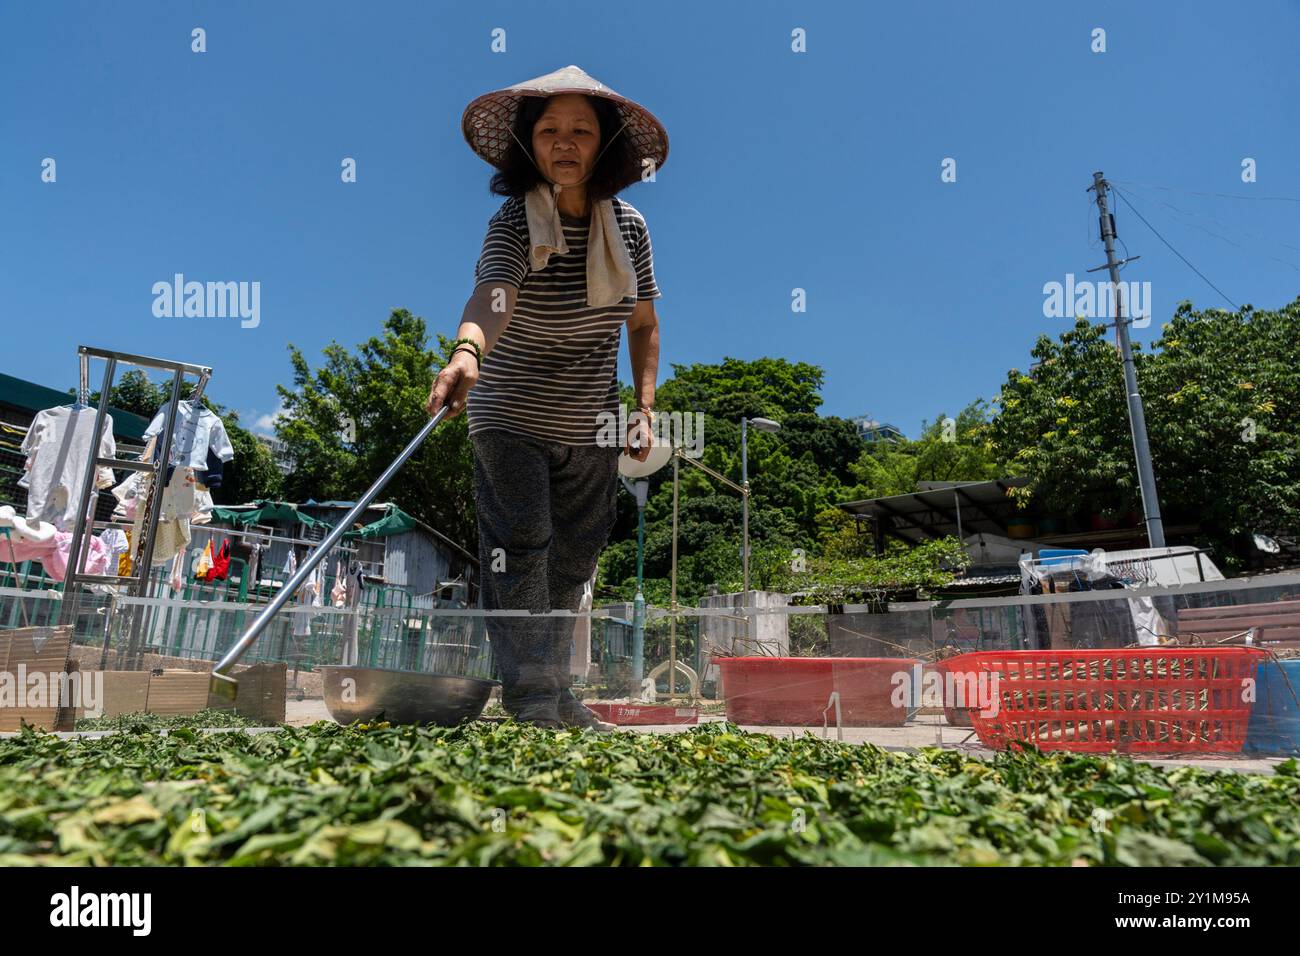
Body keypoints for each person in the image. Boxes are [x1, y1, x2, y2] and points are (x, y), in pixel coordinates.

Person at [427, 65, 669, 730]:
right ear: (529, 145)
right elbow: (491, 296)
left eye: (580, 131)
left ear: (605, 144)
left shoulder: (631, 229)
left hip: (591, 418)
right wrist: (466, 352)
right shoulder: (512, 223)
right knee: (522, 544)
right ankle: (530, 697)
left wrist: (644, 411)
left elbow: (643, 326)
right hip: (509, 408)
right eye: (549, 130)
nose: (564, 143)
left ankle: (554, 688)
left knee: (576, 555)